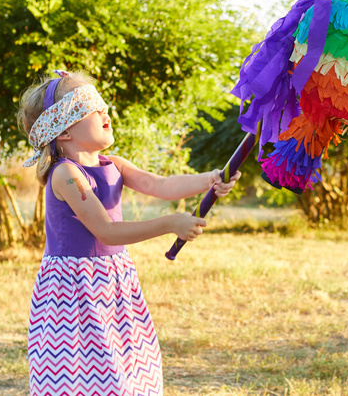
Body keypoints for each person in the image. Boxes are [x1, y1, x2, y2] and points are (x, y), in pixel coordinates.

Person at [17, 69, 240, 396]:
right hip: (74, 293)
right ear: (63, 131)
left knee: (126, 371)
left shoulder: (113, 164)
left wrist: (210, 179)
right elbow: (106, 231)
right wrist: (168, 224)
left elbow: (161, 185)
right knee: (82, 378)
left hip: (113, 282)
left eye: (102, 104)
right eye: (91, 108)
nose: (105, 112)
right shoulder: (65, 174)